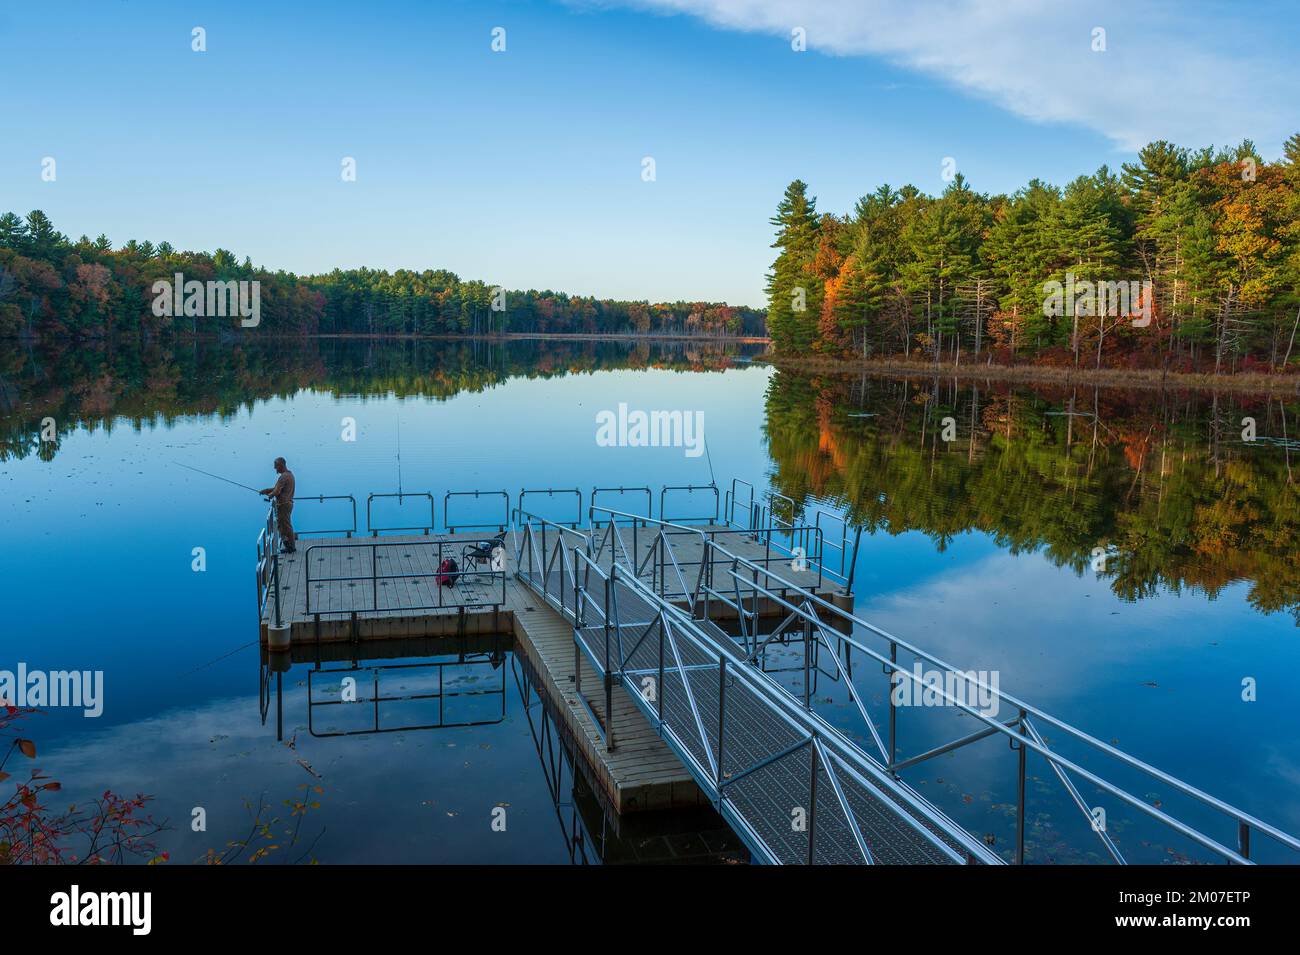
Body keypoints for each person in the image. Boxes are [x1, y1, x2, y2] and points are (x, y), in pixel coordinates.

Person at [260, 457, 296, 554]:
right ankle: (288, 545)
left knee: (286, 526)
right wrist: (266, 490)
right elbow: (277, 488)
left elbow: (276, 491)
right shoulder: (289, 475)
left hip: (284, 505)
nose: (275, 469)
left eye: (276, 467)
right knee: (283, 525)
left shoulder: (283, 477)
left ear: (281, 465)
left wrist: (270, 495)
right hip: (288, 504)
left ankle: (291, 547)